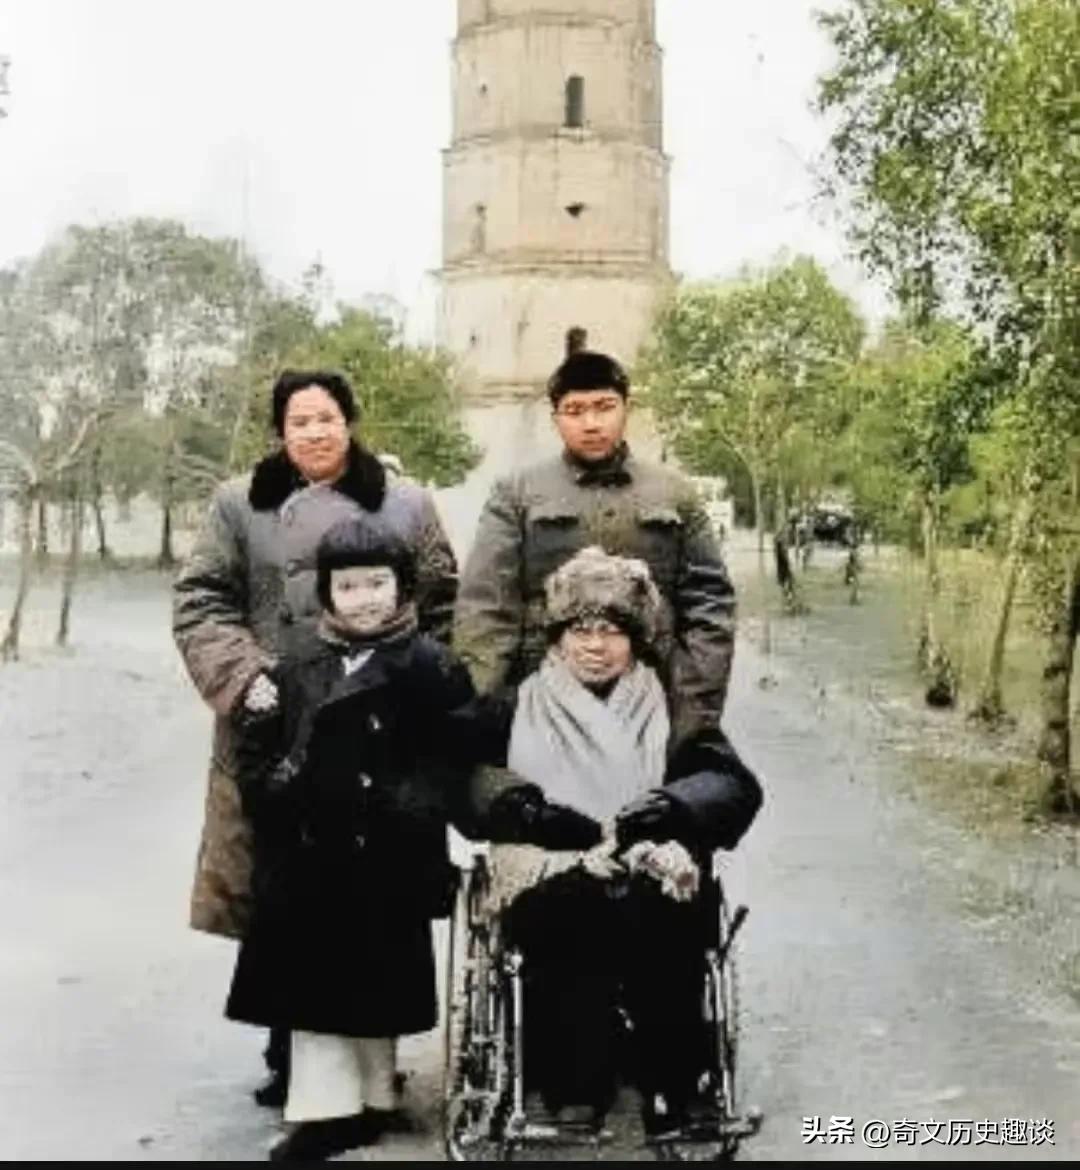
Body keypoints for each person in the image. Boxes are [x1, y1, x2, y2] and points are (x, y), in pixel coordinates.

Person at [172, 369, 458, 1105]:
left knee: (374, 888)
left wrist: (414, 679)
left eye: (327, 417)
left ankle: (370, 1051)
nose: (315, 433)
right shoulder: (240, 503)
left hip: (377, 713)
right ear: (280, 430)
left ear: (351, 421)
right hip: (278, 711)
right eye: (298, 421)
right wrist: (247, 680)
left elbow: (442, 597)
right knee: (284, 881)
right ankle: (288, 1042)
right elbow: (202, 598)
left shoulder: (405, 502)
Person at [460, 547, 763, 1138]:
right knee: (569, 920)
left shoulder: (672, 705)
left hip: (648, 863)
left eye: (611, 632)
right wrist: (521, 806)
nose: (594, 646)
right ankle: (575, 1087)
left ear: (636, 639)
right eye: (580, 630)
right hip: (556, 864)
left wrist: (675, 804)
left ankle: (677, 1087)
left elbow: (731, 783)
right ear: (557, 636)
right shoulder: (518, 701)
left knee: (673, 926)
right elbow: (464, 775)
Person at [226, 517, 478, 1162]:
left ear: (401, 587)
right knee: (316, 989)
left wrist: (405, 804)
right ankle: (326, 1110)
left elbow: (452, 758)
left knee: (376, 978)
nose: (364, 598)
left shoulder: (429, 666)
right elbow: (257, 748)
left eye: (378, 583)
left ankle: (373, 1095)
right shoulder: (299, 663)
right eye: (348, 585)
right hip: (311, 851)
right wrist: (275, 781)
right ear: (326, 592)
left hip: (388, 850)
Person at [453, 331, 737, 746]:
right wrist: (486, 712)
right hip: (544, 702)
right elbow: (486, 605)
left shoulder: (674, 493)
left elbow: (709, 607)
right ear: (556, 419)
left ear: (626, 408)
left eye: (604, 407)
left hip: (652, 702)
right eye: (574, 410)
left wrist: (691, 715)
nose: (591, 423)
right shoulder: (517, 494)